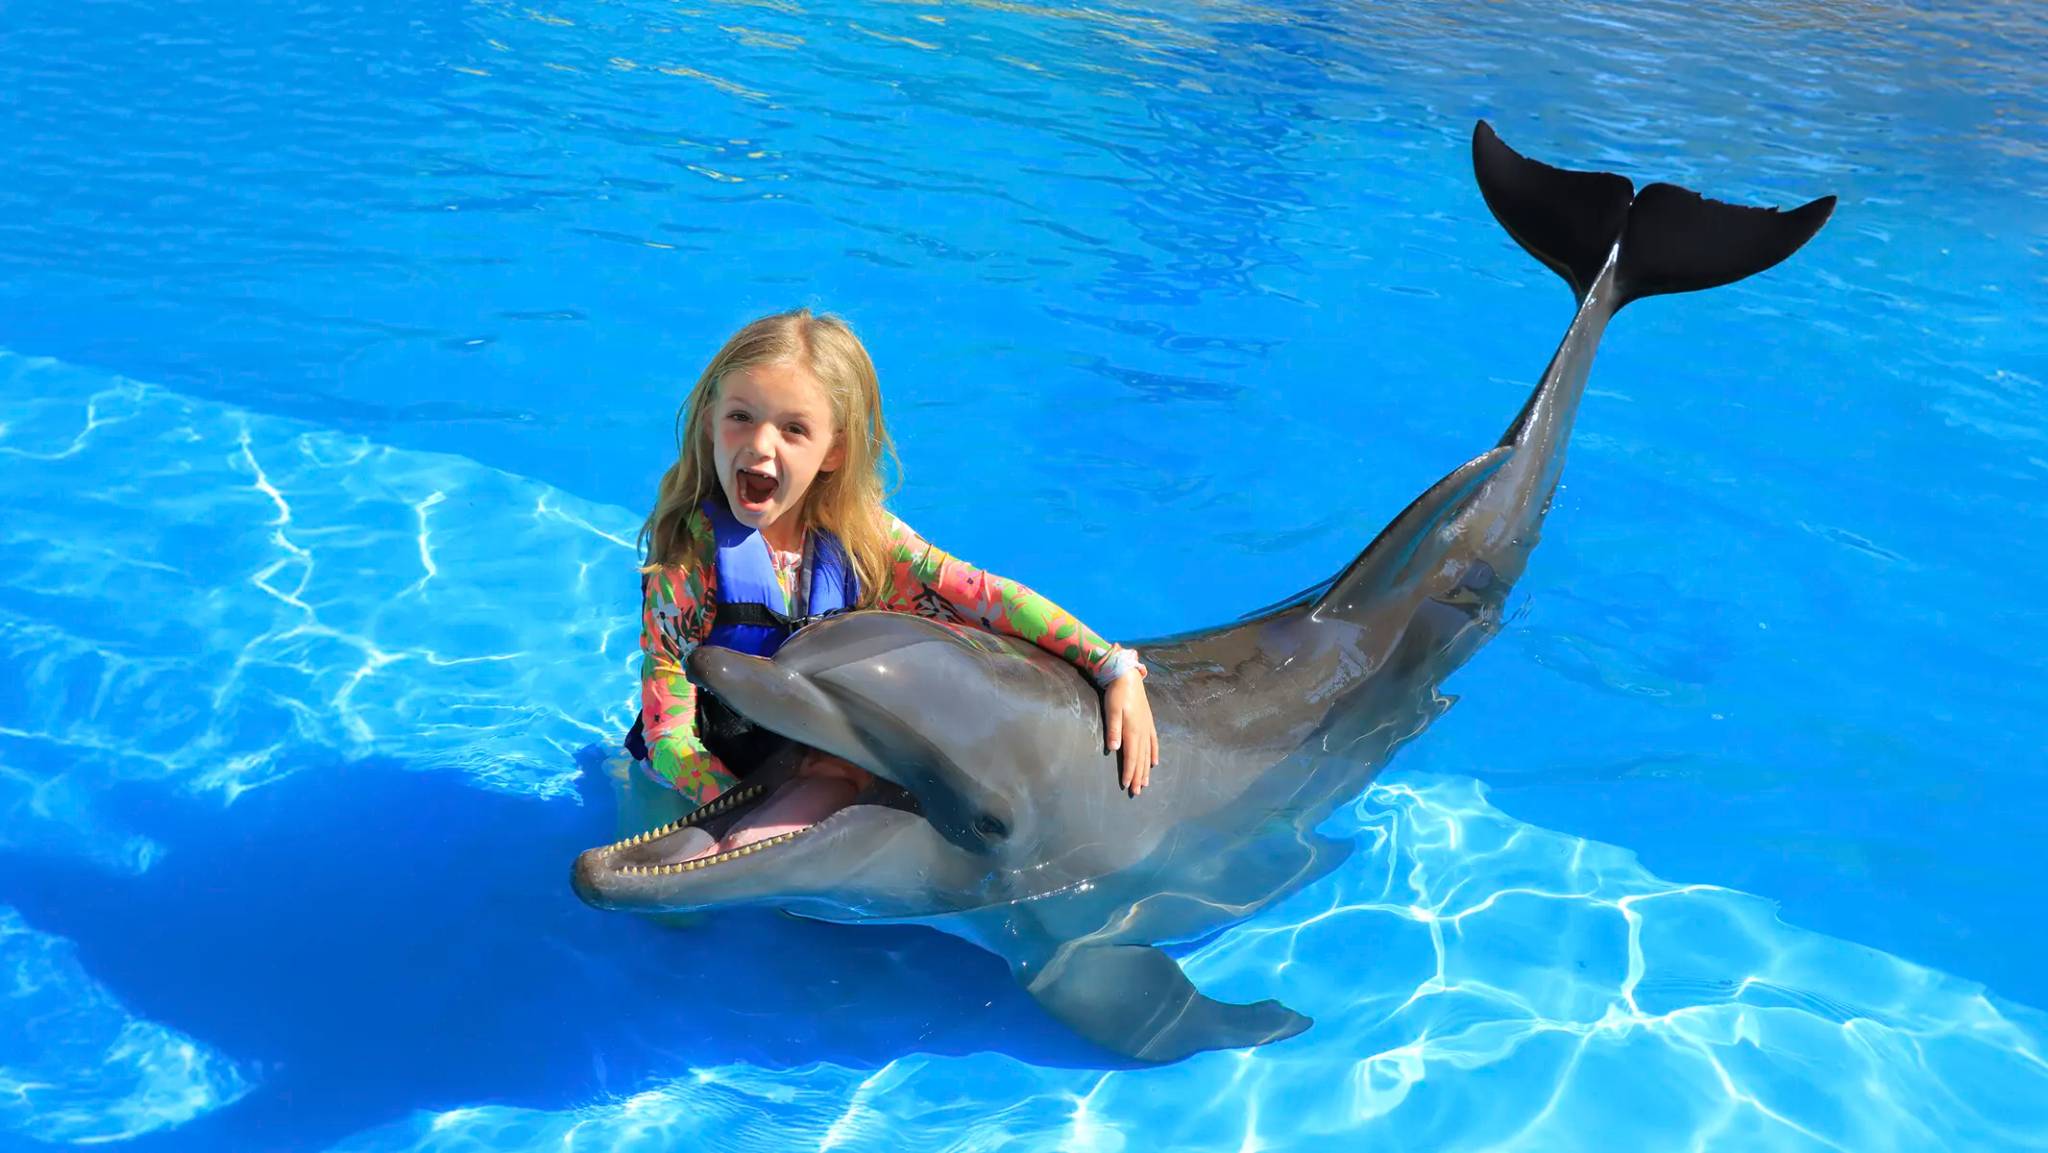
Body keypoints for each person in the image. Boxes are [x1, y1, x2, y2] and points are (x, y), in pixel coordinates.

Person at [620, 307, 1156, 858]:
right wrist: (753, 810)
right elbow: (669, 740)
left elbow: (987, 598)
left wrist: (1111, 665)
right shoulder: (688, 566)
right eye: (741, 416)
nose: (760, 445)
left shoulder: (864, 542)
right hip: (698, 775)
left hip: (810, 763)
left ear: (835, 452)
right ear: (709, 423)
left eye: (794, 429)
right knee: (674, 914)